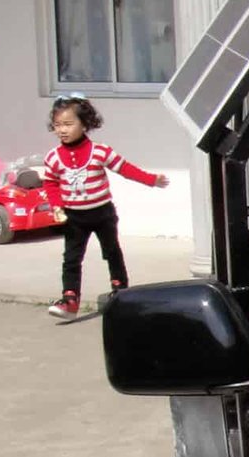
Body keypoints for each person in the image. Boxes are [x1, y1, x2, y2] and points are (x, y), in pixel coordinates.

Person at [41, 95, 170, 320]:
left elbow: (125, 169)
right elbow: (50, 183)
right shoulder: (52, 158)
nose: (62, 130)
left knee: (112, 251)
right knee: (71, 258)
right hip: (73, 217)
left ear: (84, 124)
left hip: (102, 214)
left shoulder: (100, 152)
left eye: (68, 124)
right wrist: (56, 206)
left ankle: (121, 290)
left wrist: (151, 179)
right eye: (57, 125)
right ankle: (70, 300)